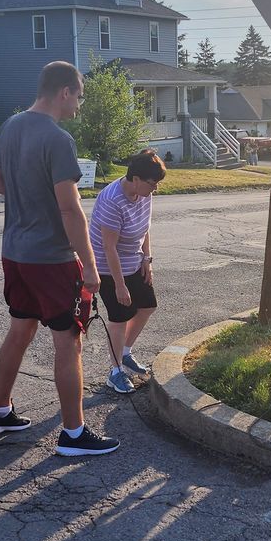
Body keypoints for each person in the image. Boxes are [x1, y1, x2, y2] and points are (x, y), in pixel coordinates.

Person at [0, 61, 120, 458]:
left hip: (15, 253)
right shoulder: (58, 139)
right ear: (65, 92)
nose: (79, 103)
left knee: (20, 331)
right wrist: (91, 267)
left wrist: (28, 197)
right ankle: (74, 435)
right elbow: (70, 210)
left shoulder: (10, 126)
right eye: (79, 96)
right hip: (52, 259)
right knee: (68, 342)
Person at [89, 149, 166, 393]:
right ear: (136, 179)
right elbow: (109, 248)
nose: (155, 189)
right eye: (152, 184)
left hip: (134, 259)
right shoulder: (112, 200)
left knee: (147, 305)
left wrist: (147, 259)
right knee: (120, 316)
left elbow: (145, 228)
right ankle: (115, 371)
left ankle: (125, 352)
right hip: (107, 266)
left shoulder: (144, 194)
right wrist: (120, 285)